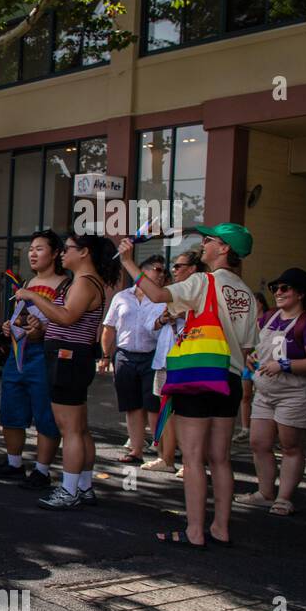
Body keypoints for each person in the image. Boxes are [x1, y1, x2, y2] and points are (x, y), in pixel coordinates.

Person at [117, 222, 258, 547]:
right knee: (220, 458)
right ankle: (221, 528)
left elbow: (157, 294)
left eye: (209, 241)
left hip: (199, 377)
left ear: (224, 249)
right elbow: (248, 346)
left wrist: (128, 261)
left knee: (193, 458)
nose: (203, 246)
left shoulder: (202, 281)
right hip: (231, 378)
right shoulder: (247, 294)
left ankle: (194, 531)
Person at [16, 232, 120, 509]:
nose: (63, 253)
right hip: (70, 356)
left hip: (68, 359)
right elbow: (66, 322)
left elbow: (66, 316)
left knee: (70, 429)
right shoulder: (84, 282)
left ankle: (69, 490)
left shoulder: (84, 283)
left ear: (84, 252)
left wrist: (32, 296)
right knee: (80, 428)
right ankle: (83, 486)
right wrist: (42, 328)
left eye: (68, 249)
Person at [235, 268, 306, 515]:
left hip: (296, 393)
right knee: (259, 442)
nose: (278, 292)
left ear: (301, 293)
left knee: (290, 446)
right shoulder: (270, 318)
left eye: (285, 288)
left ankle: (284, 498)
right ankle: (265, 493)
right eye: (275, 288)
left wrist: (284, 365)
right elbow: (259, 347)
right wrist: (253, 357)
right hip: (265, 392)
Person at [0, 229, 66, 488]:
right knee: (11, 408)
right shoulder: (28, 284)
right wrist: (11, 325)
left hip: (44, 354)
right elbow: (22, 316)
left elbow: (67, 322)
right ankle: (14, 463)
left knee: (45, 412)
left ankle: (42, 470)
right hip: (17, 352)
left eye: (40, 248)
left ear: (55, 254)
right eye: (31, 248)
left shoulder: (66, 285)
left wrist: (43, 332)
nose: (32, 253)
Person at [142, 248, 206, 475]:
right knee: (166, 411)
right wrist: (163, 318)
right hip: (165, 360)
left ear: (193, 270)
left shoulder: (202, 293)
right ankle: (166, 459)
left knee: (190, 415)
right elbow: (148, 323)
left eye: (178, 266)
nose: (173, 271)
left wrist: (184, 316)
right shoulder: (171, 293)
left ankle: (192, 463)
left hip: (189, 362)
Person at [99, 253, 167, 465]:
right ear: (143, 271)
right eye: (157, 270)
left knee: (154, 407)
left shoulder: (161, 298)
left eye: (164, 272)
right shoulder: (121, 297)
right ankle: (136, 450)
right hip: (125, 356)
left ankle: (162, 454)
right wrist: (105, 356)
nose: (162, 275)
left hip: (152, 357)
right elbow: (109, 328)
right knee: (132, 406)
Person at [236, 291, 271, 443]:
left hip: (263, 361)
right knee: (245, 395)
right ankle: (245, 429)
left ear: (261, 303)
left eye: (253, 302)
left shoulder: (268, 319)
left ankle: (266, 432)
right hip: (248, 359)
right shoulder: (247, 321)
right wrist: (247, 355)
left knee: (262, 396)